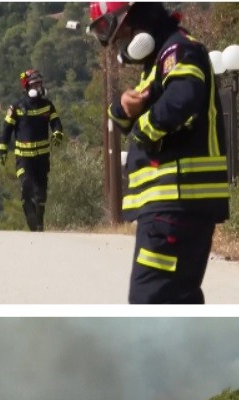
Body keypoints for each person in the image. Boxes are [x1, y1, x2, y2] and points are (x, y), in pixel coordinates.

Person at [89, 2, 230, 303]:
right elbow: (145, 105)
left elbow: (183, 99)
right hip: (175, 207)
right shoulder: (159, 62)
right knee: (176, 300)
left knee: (151, 300)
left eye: (121, 35)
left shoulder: (178, 50)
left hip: (175, 203)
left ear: (139, 18)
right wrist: (124, 108)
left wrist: (143, 131)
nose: (121, 45)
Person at [0, 69, 64, 232]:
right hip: (24, 157)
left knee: (41, 192)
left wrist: (57, 133)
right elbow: (7, 129)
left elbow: (56, 122)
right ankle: (28, 211)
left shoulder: (47, 105)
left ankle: (39, 222)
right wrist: (3, 149)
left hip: (42, 156)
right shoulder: (16, 107)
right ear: (27, 86)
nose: (38, 87)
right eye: (35, 84)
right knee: (26, 183)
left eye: (39, 83)